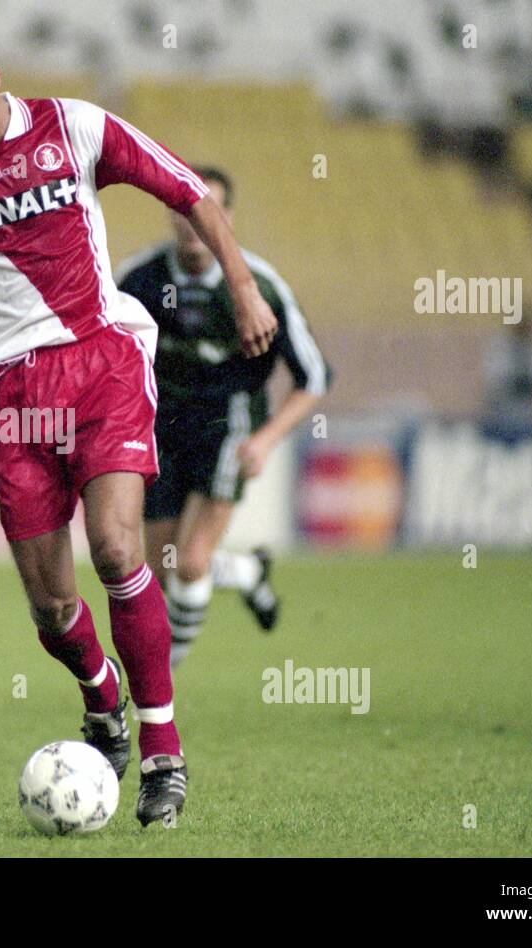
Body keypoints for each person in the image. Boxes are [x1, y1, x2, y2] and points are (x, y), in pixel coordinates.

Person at [0, 27, 279, 825]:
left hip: (98, 361)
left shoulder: (75, 127)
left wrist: (244, 287)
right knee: (51, 610)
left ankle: (163, 754)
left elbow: (189, 192)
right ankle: (102, 695)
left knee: (116, 549)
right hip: (2, 393)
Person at [118, 166, 331, 668]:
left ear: (226, 218)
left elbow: (314, 376)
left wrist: (266, 440)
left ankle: (164, 678)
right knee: (161, 564)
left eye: (206, 211)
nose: (194, 222)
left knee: (190, 562)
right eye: (184, 209)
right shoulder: (138, 279)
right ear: (171, 213)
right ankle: (246, 573)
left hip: (229, 426)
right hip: (161, 429)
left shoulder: (260, 286)